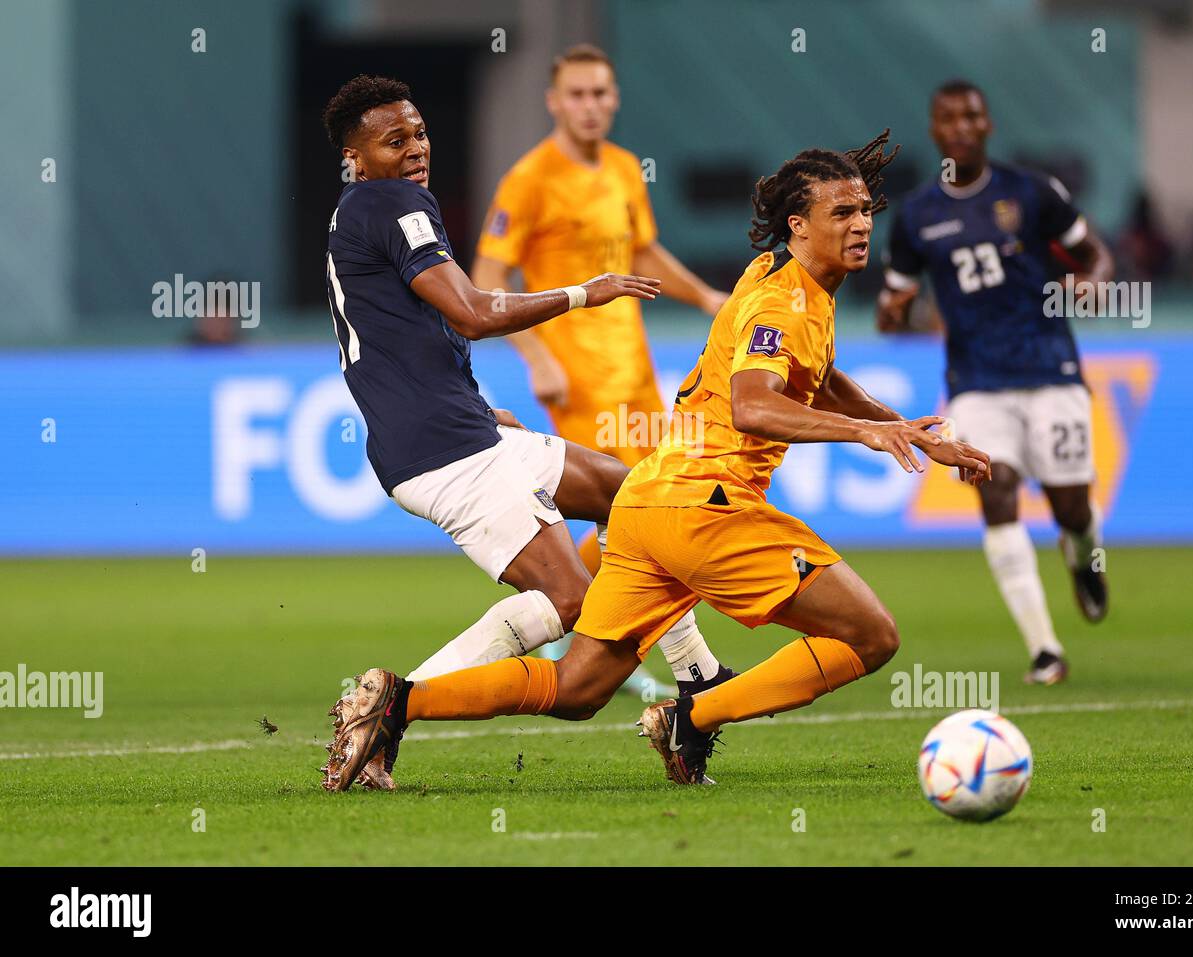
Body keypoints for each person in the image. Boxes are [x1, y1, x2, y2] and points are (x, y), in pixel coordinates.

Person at [322, 132, 991, 792]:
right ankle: (692, 714)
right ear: (799, 224)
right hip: (708, 507)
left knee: (578, 686)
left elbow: (822, 375)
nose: (861, 225)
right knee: (872, 635)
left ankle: (397, 700)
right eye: (841, 213)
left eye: (865, 211)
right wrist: (864, 435)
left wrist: (904, 427)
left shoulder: (779, 278)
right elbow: (754, 405)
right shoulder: (783, 304)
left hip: (647, 504)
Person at [318, 75, 730, 790]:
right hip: (448, 450)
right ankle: (389, 706)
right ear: (356, 158)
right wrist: (581, 292)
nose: (416, 150)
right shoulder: (395, 203)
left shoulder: (356, 211)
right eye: (395, 141)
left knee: (635, 497)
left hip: (455, 431)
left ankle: (698, 671)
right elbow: (474, 310)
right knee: (570, 601)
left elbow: (407, 334)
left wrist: (474, 404)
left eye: (418, 133)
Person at [876, 80, 1115, 685]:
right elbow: (896, 297)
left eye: (971, 116)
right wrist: (893, 312)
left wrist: (1092, 281)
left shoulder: (1033, 193)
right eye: (948, 117)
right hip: (975, 381)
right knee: (996, 488)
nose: (960, 126)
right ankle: (1045, 650)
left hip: (1050, 368)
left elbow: (1096, 256)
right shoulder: (916, 217)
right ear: (934, 130)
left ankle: (1084, 560)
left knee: (1070, 507)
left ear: (988, 126)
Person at [471, 44, 728, 576]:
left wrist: (703, 296)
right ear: (554, 103)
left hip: (633, 366)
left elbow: (640, 250)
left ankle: (575, 621)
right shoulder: (530, 179)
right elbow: (487, 277)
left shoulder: (625, 168)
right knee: (634, 505)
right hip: (578, 374)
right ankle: (589, 629)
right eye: (577, 94)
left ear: (614, 99)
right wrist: (536, 357)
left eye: (599, 93)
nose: (589, 105)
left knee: (661, 500)